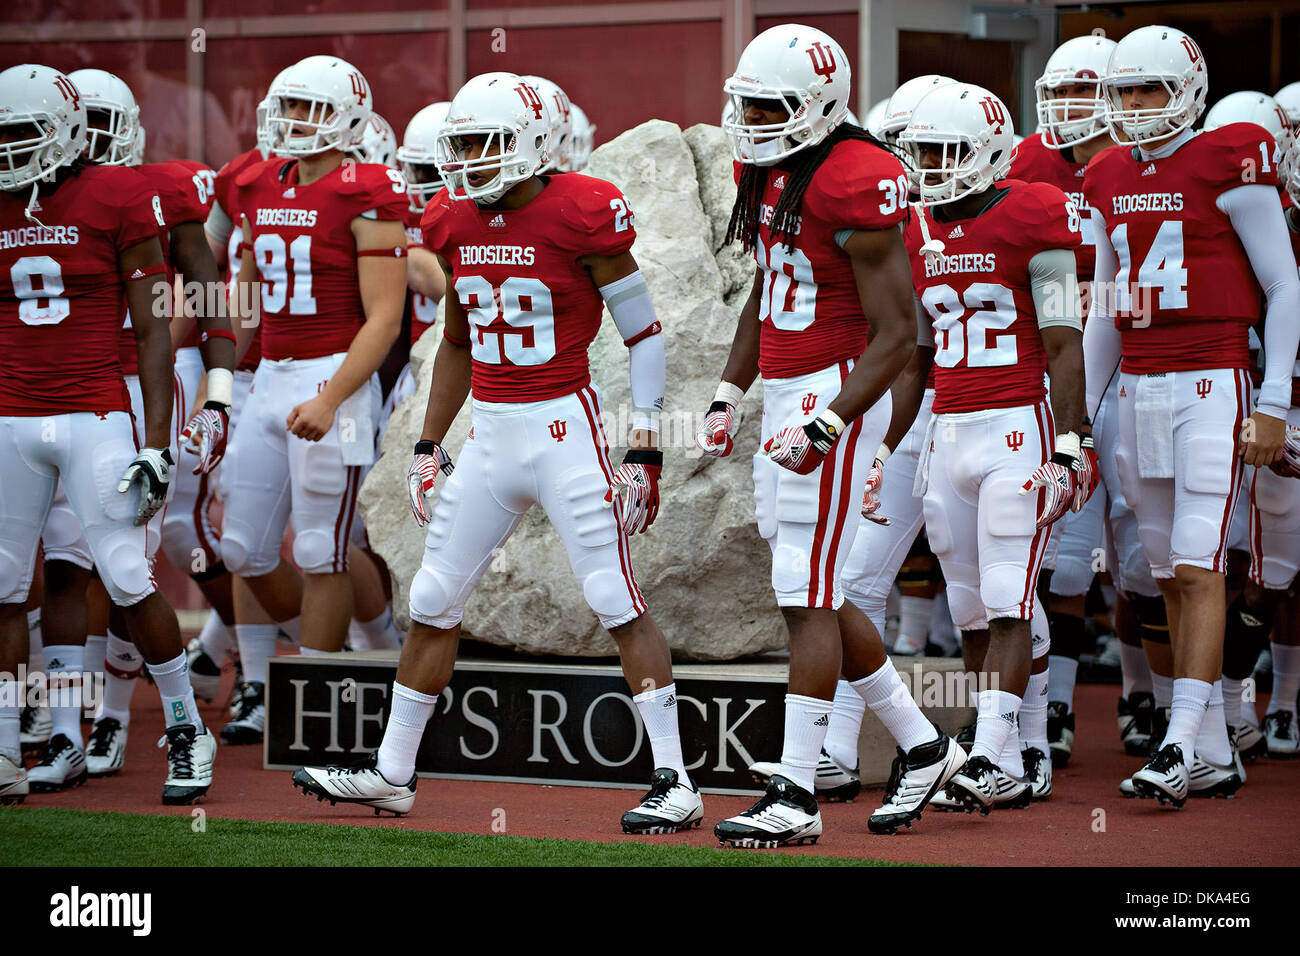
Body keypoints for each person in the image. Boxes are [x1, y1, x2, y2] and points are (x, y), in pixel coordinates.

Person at [291, 71, 704, 835]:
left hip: (563, 429)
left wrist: (644, 442)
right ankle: (392, 774)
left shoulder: (582, 208)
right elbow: (455, 340)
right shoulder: (450, 217)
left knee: (615, 599)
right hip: (488, 432)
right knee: (432, 600)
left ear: (535, 144)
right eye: (463, 146)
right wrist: (426, 443)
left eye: (487, 144)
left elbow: (645, 334)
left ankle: (675, 779)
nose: (471, 162)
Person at [703, 25, 965, 846]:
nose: (751, 119)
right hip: (787, 391)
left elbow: (897, 335)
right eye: (743, 103)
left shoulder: (858, 176)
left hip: (836, 390)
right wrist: (725, 390)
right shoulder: (773, 167)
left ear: (818, 106)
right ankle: (923, 746)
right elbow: (765, 290)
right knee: (815, 584)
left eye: (769, 105)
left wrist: (828, 421)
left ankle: (797, 790)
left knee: (805, 592)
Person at [1084, 26, 1300, 806]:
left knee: (1203, 564)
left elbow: (1282, 285)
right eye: (1125, 90)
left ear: (1189, 91)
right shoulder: (1106, 173)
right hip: (1140, 387)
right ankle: (1210, 746)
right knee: (1167, 573)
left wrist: (1273, 400)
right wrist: (1080, 415)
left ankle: (1178, 744)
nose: (1135, 105)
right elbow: (1105, 307)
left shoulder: (1229, 155)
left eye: (1149, 89)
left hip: (1213, 379)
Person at [0, 63, 216, 805]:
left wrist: (160, 437)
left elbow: (159, 323)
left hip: (97, 408)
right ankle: (29, 741)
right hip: (12, 413)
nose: (7, 150)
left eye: (19, 135)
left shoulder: (124, 193)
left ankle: (186, 726)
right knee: (19, 580)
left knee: (126, 574)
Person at [896, 82, 1093, 814]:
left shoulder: (1033, 213)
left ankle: (990, 755)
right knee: (973, 607)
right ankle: (1014, 751)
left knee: (1013, 594)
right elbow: (917, 355)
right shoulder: (916, 231)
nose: (929, 166)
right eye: (920, 152)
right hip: (948, 427)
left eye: (943, 152)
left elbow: (1064, 342)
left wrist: (1071, 444)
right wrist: (889, 446)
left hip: (1018, 422)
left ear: (985, 152)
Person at [220, 56, 409, 744]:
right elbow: (244, 287)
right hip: (268, 373)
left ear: (348, 120)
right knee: (241, 547)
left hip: (335, 374)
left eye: (312, 110)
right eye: (289, 106)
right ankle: (317, 667)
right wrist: (220, 387)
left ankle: (319, 697)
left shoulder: (368, 191)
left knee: (324, 550)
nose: (296, 122)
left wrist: (332, 397)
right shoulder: (254, 180)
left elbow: (383, 318)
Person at [1012, 34, 1144, 768]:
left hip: (1142, 368)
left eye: (1081, 94)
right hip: (1057, 373)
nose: (1066, 110)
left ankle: (1142, 693)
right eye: (1056, 93)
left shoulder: (1139, 166)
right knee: (1062, 558)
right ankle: (1054, 703)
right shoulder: (1024, 160)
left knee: (1144, 557)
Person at [1202, 91, 1300, 761]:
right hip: (1265, 396)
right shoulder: (1220, 208)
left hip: (1260, 394)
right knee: (1266, 570)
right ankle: (1239, 703)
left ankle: (1281, 705)